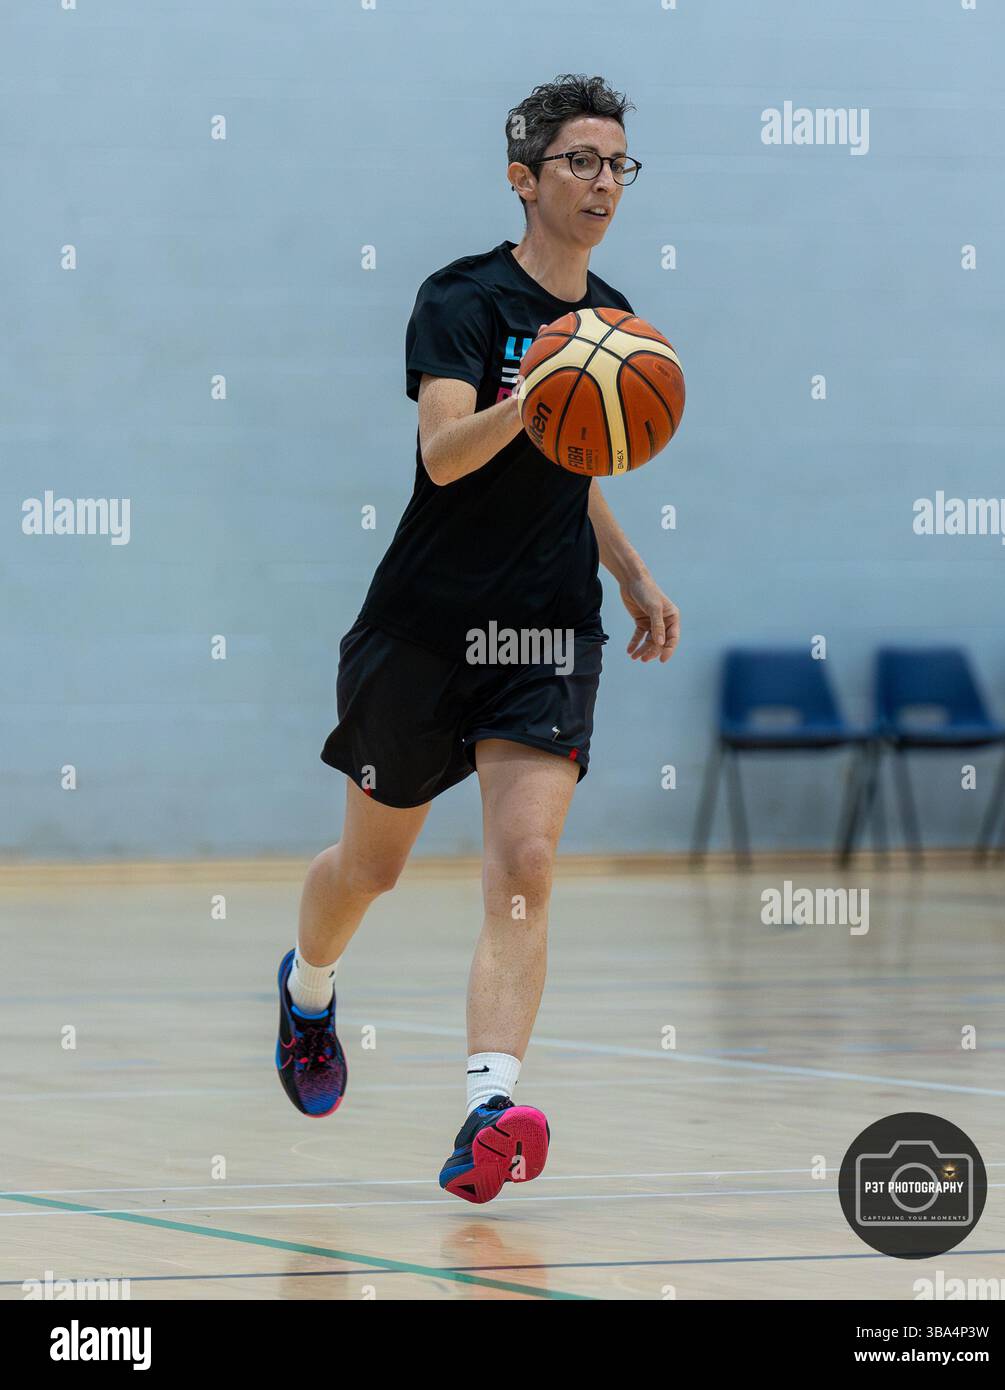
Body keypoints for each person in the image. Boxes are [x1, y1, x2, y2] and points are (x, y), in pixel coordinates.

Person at [275, 73, 680, 1205]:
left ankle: (487, 1111)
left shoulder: (614, 320)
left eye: (617, 164)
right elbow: (445, 455)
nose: (603, 183)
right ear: (523, 179)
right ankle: (308, 990)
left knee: (526, 864)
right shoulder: (460, 299)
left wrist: (632, 573)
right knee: (371, 868)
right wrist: (539, 391)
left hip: (548, 631)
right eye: (580, 162)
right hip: (423, 626)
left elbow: (580, 464)